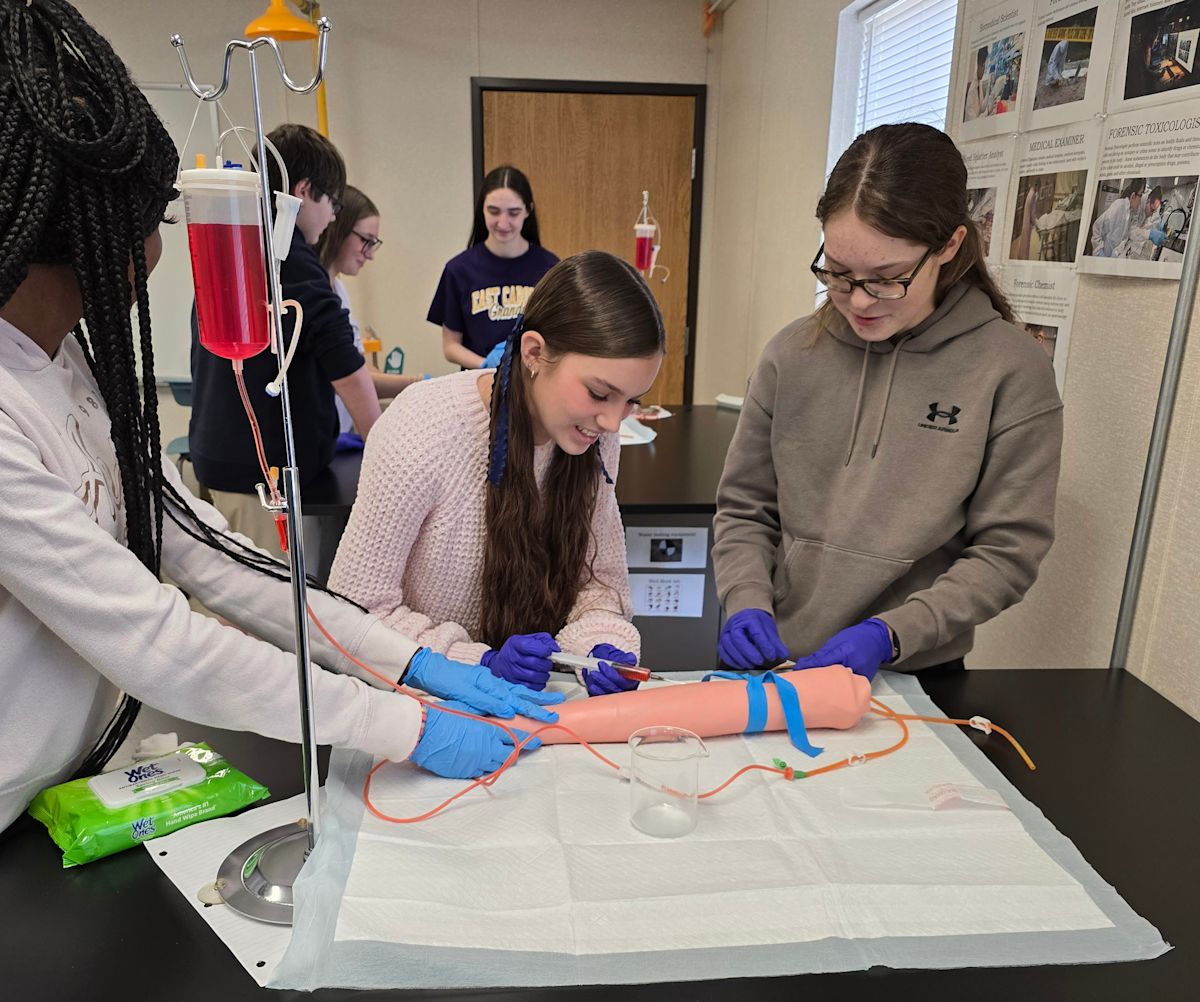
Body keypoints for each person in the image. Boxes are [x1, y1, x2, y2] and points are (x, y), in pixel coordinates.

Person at [0, 0, 559, 834]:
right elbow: (159, 641)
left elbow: (211, 556)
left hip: (64, 792)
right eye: (159, 220)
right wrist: (406, 724)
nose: (163, 248)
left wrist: (410, 661)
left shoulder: (67, 358)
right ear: (83, 227)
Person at [712, 123, 1063, 681]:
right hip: (770, 656)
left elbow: (1008, 552)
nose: (856, 299)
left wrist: (893, 634)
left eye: (887, 278)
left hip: (912, 672)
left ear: (949, 246)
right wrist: (745, 598)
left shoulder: (1010, 370)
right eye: (838, 273)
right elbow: (745, 508)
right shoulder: (791, 354)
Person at [332, 251, 663, 697]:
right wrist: (476, 661)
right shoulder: (423, 429)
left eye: (631, 401)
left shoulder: (593, 438)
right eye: (600, 393)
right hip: (418, 703)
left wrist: (600, 642)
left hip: (530, 703)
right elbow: (354, 613)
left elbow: (597, 582)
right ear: (534, 352)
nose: (612, 421)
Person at [188, 124, 381, 550]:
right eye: (331, 202)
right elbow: (343, 363)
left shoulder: (237, 242)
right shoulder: (287, 258)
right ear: (304, 190)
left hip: (228, 461)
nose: (333, 216)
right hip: (259, 475)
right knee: (263, 605)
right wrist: (387, 455)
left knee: (244, 593)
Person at [317, 185, 426, 439]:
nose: (370, 255)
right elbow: (350, 377)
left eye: (373, 243)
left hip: (339, 433)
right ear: (337, 229)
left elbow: (358, 364)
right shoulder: (317, 297)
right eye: (365, 241)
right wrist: (415, 385)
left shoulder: (338, 289)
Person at [428, 165, 559, 369]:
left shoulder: (550, 268)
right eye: (494, 211)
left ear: (528, 211)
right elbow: (450, 346)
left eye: (513, 213)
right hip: (476, 382)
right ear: (482, 209)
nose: (503, 222)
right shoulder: (458, 270)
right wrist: (488, 366)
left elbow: (558, 335)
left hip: (532, 382)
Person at [1090, 178, 1144, 257]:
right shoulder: (1119, 206)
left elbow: (1128, 232)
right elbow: (1097, 227)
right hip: (1105, 255)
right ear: (1133, 196)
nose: (1141, 200)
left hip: (1113, 256)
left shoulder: (1130, 212)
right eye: (1141, 195)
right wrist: (1099, 251)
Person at [963, 47, 990, 121]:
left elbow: (981, 107)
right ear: (979, 65)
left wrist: (989, 94)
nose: (984, 70)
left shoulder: (979, 83)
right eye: (983, 66)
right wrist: (987, 111)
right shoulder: (972, 91)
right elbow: (973, 121)